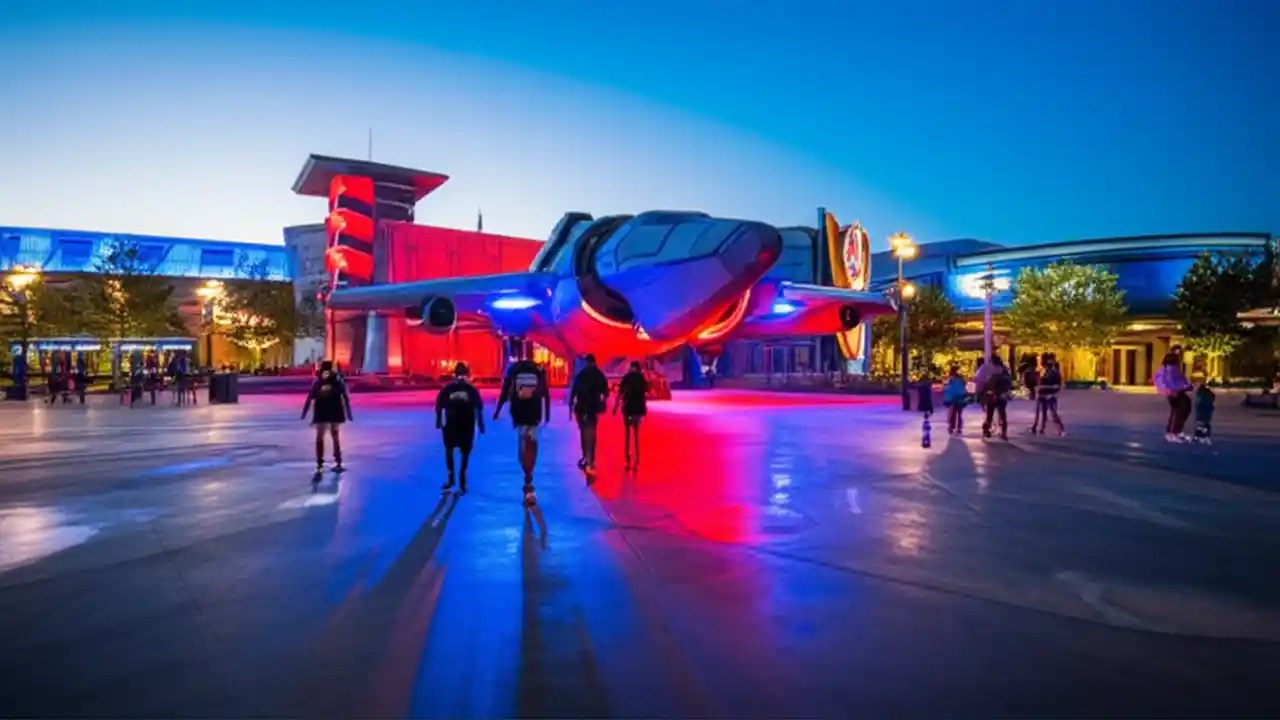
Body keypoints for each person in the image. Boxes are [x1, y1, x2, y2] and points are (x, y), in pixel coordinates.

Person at [494, 352, 551, 506]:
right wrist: (547, 414)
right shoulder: (538, 371)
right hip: (534, 414)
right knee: (532, 445)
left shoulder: (514, 370)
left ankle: (527, 479)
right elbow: (545, 393)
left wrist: (498, 411)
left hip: (519, 414)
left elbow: (505, 391)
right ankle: (529, 480)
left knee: (522, 447)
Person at [435, 362, 485, 493]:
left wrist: (438, 421)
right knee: (462, 452)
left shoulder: (449, 388)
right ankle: (458, 479)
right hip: (464, 424)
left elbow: (439, 405)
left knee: (452, 450)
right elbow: (478, 407)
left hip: (456, 424)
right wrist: (480, 423)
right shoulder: (470, 389)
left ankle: (455, 479)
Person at [301, 360, 353, 471]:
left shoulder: (320, 381)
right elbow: (345, 397)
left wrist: (304, 412)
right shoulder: (337, 381)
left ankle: (321, 463)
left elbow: (310, 397)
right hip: (334, 410)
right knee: (334, 436)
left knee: (322, 436)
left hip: (323, 411)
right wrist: (349, 413)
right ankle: (337, 461)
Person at [568, 353, 609, 477]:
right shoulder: (599, 375)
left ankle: (586, 455)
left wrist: (571, 404)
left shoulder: (582, 375)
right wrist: (601, 402)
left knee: (584, 432)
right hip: (593, 408)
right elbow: (605, 391)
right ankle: (590, 457)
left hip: (582, 407)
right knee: (591, 431)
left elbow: (575, 390)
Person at [613, 361, 649, 469]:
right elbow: (647, 390)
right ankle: (637, 459)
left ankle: (627, 458)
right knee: (636, 434)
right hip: (638, 410)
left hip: (628, 409)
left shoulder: (627, 377)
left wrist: (616, 407)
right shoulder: (641, 378)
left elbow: (620, 393)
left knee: (627, 434)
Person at [1154, 352, 1193, 442]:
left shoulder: (1164, 369)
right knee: (1180, 412)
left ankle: (1174, 432)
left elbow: (1177, 380)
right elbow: (1177, 381)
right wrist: (1186, 386)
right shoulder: (1171, 369)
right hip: (1176, 393)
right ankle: (1174, 432)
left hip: (1174, 393)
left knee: (1177, 411)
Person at [977, 354, 1012, 440]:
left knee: (989, 415)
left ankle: (986, 430)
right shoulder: (1004, 369)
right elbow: (1009, 382)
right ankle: (1004, 433)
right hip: (1002, 395)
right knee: (1003, 415)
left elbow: (980, 381)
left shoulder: (986, 368)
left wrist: (980, 393)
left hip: (991, 395)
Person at [1033, 353, 1066, 435]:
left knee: (1052, 413)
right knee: (1044, 412)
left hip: (1049, 395)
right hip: (1043, 394)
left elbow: (1056, 385)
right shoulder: (1045, 370)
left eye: (1041, 360)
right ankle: (1042, 428)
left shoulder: (1053, 372)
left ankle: (1061, 429)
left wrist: (1042, 387)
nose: (1040, 362)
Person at [942, 364, 968, 436]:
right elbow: (964, 387)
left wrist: (946, 398)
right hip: (960, 398)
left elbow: (948, 389)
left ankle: (952, 427)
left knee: (953, 413)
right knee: (959, 414)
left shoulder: (951, 379)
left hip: (953, 398)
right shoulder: (961, 379)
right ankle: (958, 428)